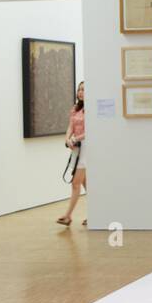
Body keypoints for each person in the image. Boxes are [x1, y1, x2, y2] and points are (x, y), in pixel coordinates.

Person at [57, 82, 87, 227]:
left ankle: (68, 216)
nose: (80, 92)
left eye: (84, 90)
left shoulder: (91, 110)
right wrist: (67, 138)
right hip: (76, 147)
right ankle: (97, 213)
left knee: (75, 183)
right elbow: (71, 126)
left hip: (86, 148)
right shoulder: (75, 109)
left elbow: (91, 131)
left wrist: (76, 138)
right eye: (79, 90)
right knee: (86, 183)